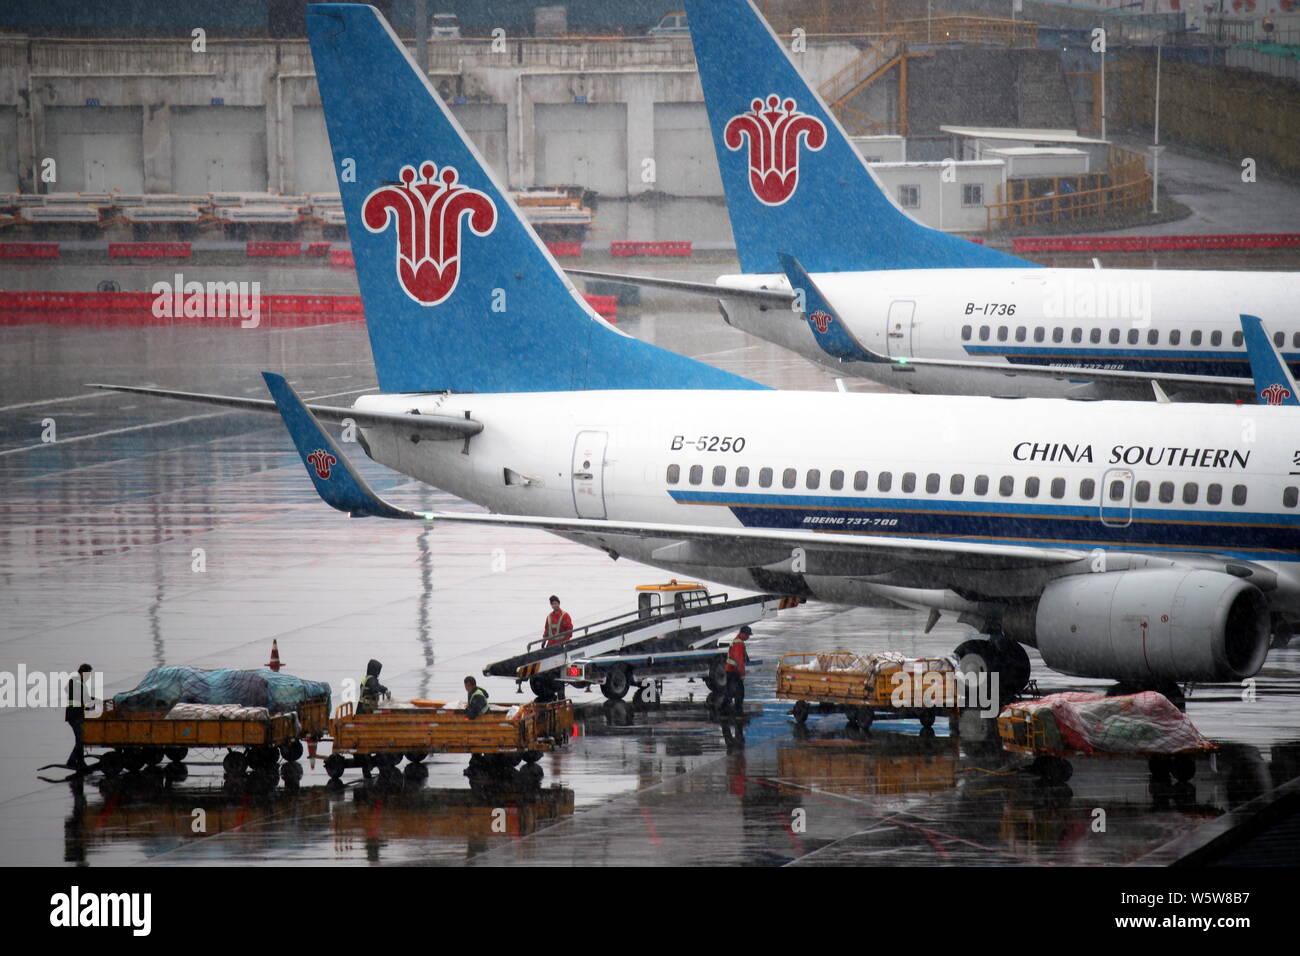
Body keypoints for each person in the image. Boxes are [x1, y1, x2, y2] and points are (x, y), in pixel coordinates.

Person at [64, 664, 94, 773]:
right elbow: (82, 697)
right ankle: (78, 762)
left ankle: (74, 761)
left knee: (80, 739)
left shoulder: (78, 683)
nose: (89, 676)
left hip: (77, 715)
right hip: (74, 715)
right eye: (88, 674)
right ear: (82, 673)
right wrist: (91, 701)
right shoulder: (76, 683)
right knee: (81, 739)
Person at [719, 626, 751, 714]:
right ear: (743, 634)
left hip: (730, 670)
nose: (748, 637)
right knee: (739, 693)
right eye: (748, 635)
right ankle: (738, 712)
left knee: (730, 692)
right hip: (734, 672)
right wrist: (742, 674)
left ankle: (723, 711)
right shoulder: (739, 644)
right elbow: (739, 661)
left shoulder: (737, 641)